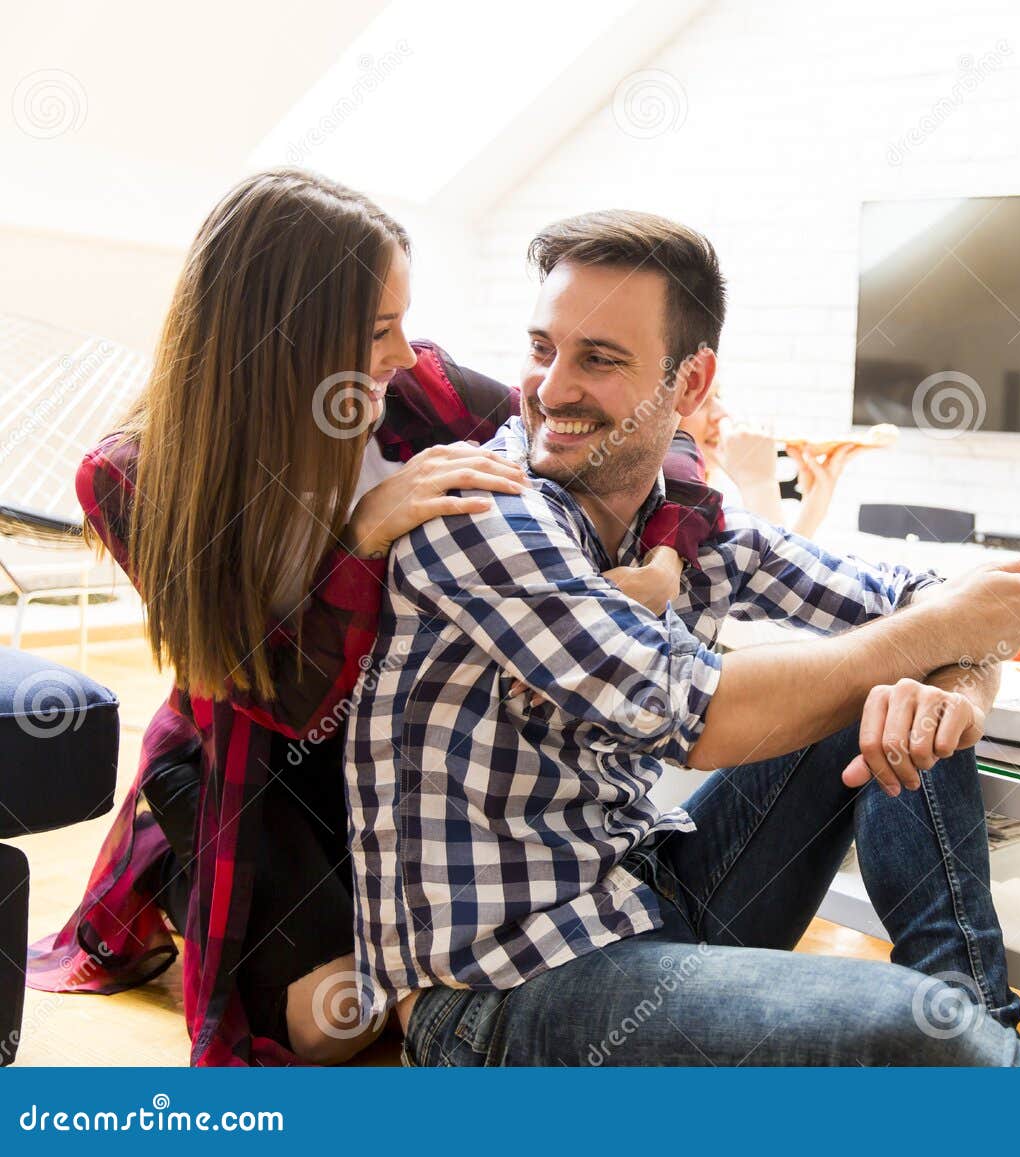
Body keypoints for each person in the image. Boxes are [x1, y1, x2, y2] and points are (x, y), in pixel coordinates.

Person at [348, 210, 1020, 1066]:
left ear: (690, 384)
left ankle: (980, 1022)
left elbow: (925, 600)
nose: (551, 387)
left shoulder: (687, 526)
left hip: (641, 905)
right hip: (500, 998)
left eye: (600, 359)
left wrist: (959, 682)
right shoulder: (479, 510)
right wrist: (946, 632)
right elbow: (693, 715)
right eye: (543, 348)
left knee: (899, 680)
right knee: (904, 1023)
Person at [27, 170, 714, 1065]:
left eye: (402, 319)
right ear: (287, 337)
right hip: (261, 766)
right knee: (319, 1029)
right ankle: (186, 890)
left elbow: (617, 430)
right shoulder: (135, 477)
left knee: (407, 990)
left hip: (410, 753)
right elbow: (274, 689)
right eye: (377, 329)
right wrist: (362, 541)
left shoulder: (419, 390)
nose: (403, 350)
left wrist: (665, 550)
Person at [679, 384, 865, 537]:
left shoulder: (709, 502)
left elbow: (781, 575)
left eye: (717, 396)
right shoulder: (676, 515)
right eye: (701, 400)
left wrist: (812, 512)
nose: (723, 413)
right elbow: (772, 576)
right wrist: (758, 484)